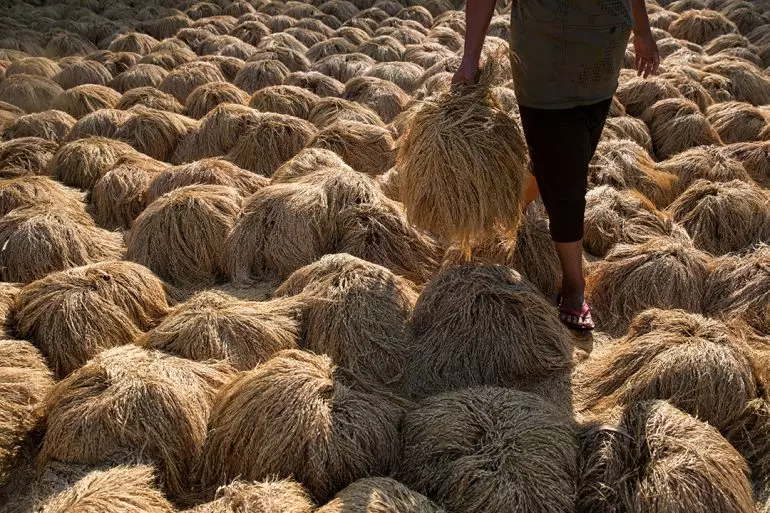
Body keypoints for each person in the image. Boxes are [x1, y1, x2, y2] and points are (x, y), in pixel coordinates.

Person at [453, 0, 659, 330]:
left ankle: (498, 214)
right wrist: (469, 57)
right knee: (567, 181)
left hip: (601, 61)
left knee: (559, 161)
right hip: (544, 60)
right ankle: (574, 288)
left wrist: (642, 31)